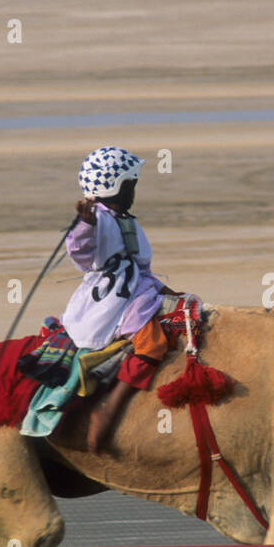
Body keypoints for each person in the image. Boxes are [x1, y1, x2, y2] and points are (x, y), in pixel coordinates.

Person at [61, 147, 172, 454]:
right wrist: (86, 225)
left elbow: (141, 266)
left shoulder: (125, 221)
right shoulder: (98, 219)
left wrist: (164, 290)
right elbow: (80, 251)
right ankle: (109, 410)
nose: (134, 192)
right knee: (152, 345)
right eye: (131, 186)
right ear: (119, 187)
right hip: (113, 300)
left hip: (137, 289)